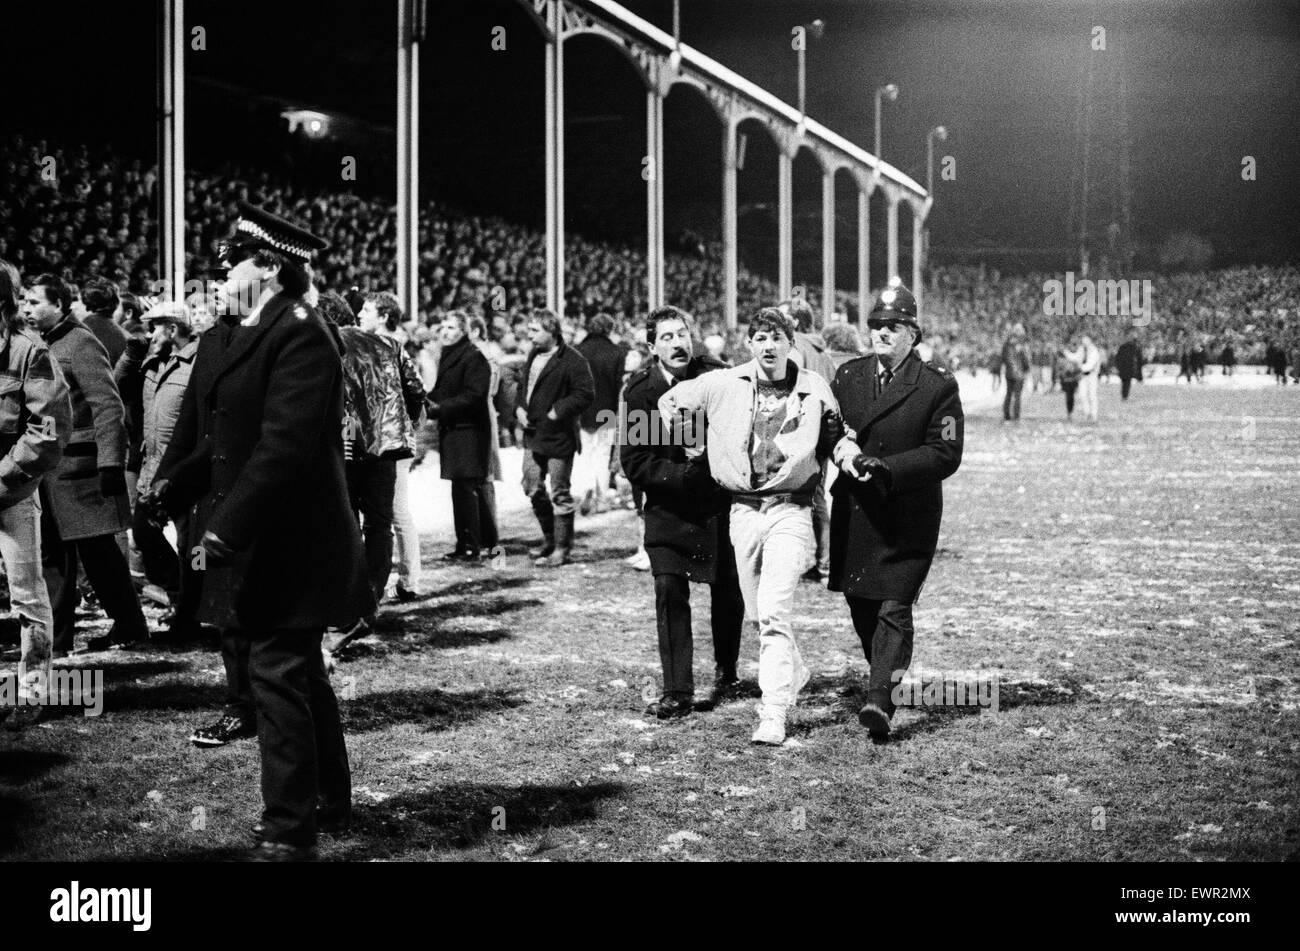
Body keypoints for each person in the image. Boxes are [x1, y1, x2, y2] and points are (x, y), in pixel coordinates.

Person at [145, 202, 372, 860]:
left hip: (294, 541)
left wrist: (224, 528)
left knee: (273, 674)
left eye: (230, 265)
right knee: (297, 673)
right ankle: (329, 798)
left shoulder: (300, 329)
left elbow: (283, 447)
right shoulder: (253, 329)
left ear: (268, 267)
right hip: (270, 535)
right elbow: (223, 439)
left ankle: (287, 826)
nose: (218, 278)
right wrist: (172, 487)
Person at [659, 307, 842, 746]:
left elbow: (836, 433)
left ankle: (773, 712)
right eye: (760, 338)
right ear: (750, 344)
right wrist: (697, 442)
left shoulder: (813, 386)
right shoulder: (724, 382)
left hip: (791, 509)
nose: (768, 346)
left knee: (776, 610)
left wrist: (843, 457)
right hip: (742, 510)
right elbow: (670, 401)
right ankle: (793, 668)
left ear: (790, 343)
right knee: (759, 616)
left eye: (777, 338)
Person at [827, 283, 964, 739]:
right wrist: (840, 448)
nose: (881, 333)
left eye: (892, 326)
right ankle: (885, 678)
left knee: (892, 606)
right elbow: (826, 427)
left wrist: (885, 467)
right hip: (856, 511)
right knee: (862, 605)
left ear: (912, 333)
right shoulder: (848, 377)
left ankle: (879, 702)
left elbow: (946, 452)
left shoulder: (938, 385)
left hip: (907, 516)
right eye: (875, 326)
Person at [619, 305, 745, 720]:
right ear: (652, 347)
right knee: (670, 591)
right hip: (669, 509)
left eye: (682, 334)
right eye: (667, 337)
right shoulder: (640, 392)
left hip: (717, 506)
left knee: (728, 590)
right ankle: (678, 688)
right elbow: (635, 461)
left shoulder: (715, 377)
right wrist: (680, 477)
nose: (678, 343)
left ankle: (727, 668)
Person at [24, 273, 148, 654]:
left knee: (100, 557)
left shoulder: (80, 343)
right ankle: (57, 641)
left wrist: (111, 464)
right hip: (44, 470)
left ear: (59, 304)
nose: (26, 310)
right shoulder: (34, 344)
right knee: (53, 559)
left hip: (81, 472)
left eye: (34, 303)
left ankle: (130, 625)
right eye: (24, 303)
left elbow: (107, 405)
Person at [0, 259, 72, 729]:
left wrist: (3, 478)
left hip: (11, 493)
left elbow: (48, 429)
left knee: (26, 598)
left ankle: (31, 692)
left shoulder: (29, 351)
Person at [133, 301, 204, 640]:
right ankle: (178, 596)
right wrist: (135, 351)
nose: (149, 333)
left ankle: (188, 617)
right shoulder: (150, 362)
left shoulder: (200, 363)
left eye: (155, 327)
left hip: (183, 473)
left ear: (172, 330)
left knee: (194, 549)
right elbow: (121, 386)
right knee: (144, 535)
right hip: (152, 468)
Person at [516, 309, 595, 568]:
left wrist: (557, 410)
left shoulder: (573, 360)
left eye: (535, 330)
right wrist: (519, 407)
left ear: (552, 331)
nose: (529, 335)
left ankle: (562, 548)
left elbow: (585, 394)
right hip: (533, 434)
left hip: (559, 436)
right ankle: (549, 538)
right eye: (529, 330)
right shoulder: (533, 355)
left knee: (560, 492)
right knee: (532, 486)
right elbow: (523, 387)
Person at [427, 310, 497, 560]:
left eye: (452, 328)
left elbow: (474, 395)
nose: (445, 332)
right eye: (443, 327)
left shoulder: (473, 357)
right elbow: (443, 390)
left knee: (466, 488)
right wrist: (427, 399)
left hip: (468, 431)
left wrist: (440, 408)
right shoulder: (452, 355)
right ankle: (481, 540)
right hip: (457, 430)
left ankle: (470, 545)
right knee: (465, 488)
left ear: (463, 332)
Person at [784, 296, 837, 582]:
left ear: (792, 322)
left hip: (800, 431)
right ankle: (824, 561)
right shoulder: (823, 352)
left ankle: (816, 560)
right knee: (816, 497)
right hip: (822, 431)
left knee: (793, 497)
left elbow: (787, 391)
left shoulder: (795, 349)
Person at [575, 312, 626, 516]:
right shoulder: (616, 352)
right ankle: (601, 496)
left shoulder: (578, 351)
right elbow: (618, 385)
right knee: (603, 453)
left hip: (582, 409)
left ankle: (586, 487)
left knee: (585, 452)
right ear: (608, 329)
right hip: (607, 410)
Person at [1000, 323, 1031, 421]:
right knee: (1017, 395)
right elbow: (1026, 360)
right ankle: (1016, 415)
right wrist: (1026, 369)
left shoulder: (1007, 343)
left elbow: (1004, 357)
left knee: (1009, 393)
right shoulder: (1023, 344)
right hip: (1019, 373)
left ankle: (1006, 415)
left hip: (1009, 372)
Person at [1077, 332, 1101, 421]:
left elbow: (1090, 365)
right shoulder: (1081, 349)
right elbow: (1076, 357)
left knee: (1092, 395)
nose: (1084, 341)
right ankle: (1086, 413)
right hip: (1083, 376)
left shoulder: (1094, 351)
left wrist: (1079, 368)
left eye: (1086, 339)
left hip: (1092, 375)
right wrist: (1066, 353)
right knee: (1082, 395)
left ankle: (1094, 414)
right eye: (1083, 339)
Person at [1057, 340, 1083, 420]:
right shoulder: (1064, 355)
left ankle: (1072, 412)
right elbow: (1060, 367)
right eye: (1071, 346)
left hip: (1074, 379)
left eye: (1074, 346)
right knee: (1069, 396)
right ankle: (1069, 412)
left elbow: (1079, 368)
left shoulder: (1078, 356)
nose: (1072, 347)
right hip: (1067, 380)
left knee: (1072, 396)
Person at [1115, 332, 1144, 400]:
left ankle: (1124, 396)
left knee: (1125, 383)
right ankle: (1125, 396)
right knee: (1127, 383)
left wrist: (1118, 367)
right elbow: (1140, 359)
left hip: (1123, 368)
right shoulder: (1136, 347)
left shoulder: (1123, 347)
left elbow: (1117, 358)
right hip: (1130, 368)